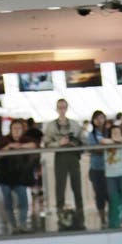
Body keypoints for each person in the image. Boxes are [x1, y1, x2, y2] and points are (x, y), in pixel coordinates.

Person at [43, 98, 85, 231]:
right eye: (60, 107)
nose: (62, 110)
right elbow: (46, 143)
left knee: (77, 186)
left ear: (67, 108)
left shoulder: (74, 124)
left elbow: (82, 140)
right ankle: (60, 216)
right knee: (60, 187)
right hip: (60, 156)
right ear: (57, 109)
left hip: (73, 156)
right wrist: (59, 143)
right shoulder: (51, 126)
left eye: (64, 107)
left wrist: (74, 142)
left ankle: (80, 217)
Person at [0, 118, 36, 234]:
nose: (17, 131)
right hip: (5, 177)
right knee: (8, 202)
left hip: (20, 177)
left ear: (23, 130)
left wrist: (20, 146)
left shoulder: (26, 140)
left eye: (19, 128)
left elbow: (34, 145)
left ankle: (22, 224)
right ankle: (12, 225)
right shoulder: (4, 141)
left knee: (23, 200)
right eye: (14, 128)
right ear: (10, 130)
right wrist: (9, 146)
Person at [85, 110, 109, 229]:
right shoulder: (91, 135)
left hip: (109, 167)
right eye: (97, 118)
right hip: (97, 168)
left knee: (109, 194)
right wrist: (107, 147)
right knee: (99, 195)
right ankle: (103, 219)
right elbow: (94, 149)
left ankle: (112, 217)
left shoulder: (108, 133)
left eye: (102, 118)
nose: (100, 120)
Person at [103, 122, 122, 229]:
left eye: (118, 132)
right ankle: (113, 223)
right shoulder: (106, 142)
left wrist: (119, 139)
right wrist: (114, 140)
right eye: (114, 132)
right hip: (110, 175)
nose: (116, 134)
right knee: (113, 199)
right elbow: (103, 141)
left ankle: (121, 221)